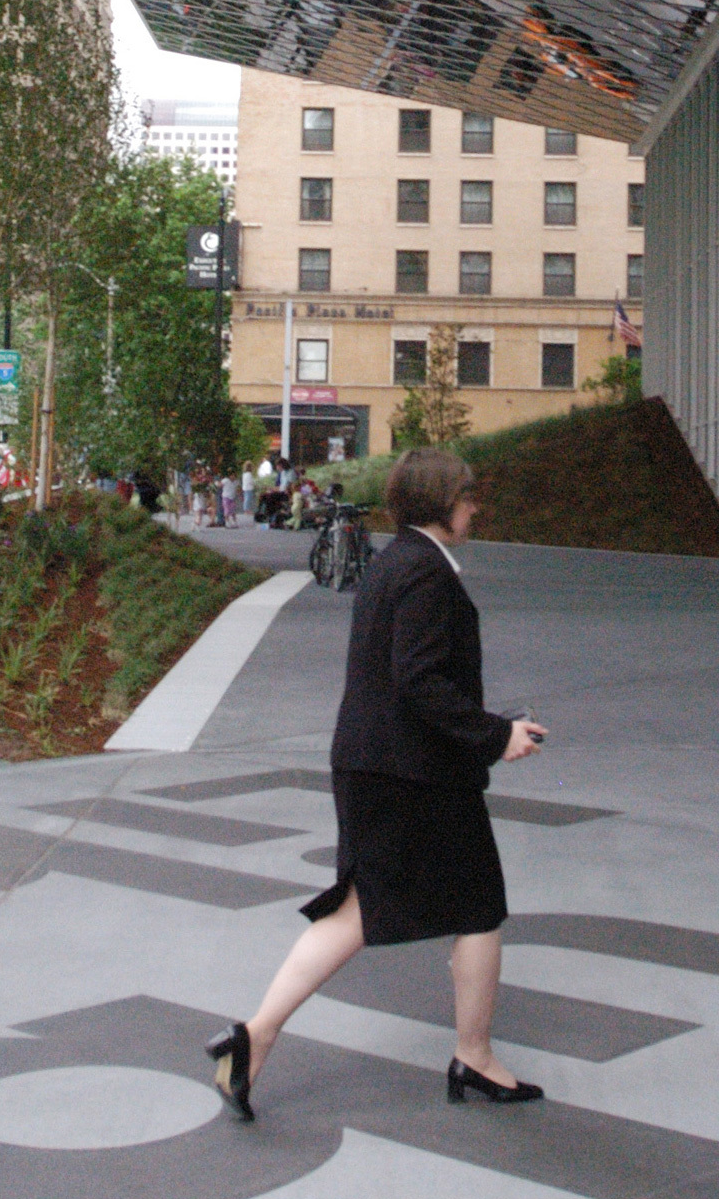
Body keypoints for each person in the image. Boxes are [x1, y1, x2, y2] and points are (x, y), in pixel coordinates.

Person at [206, 447, 549, 1120]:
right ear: (440, 501)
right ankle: (474, 1058)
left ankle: (254, 1036)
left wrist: (488, 724)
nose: (476, 506)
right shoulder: (423, 571)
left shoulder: (399, 561)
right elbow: (419, 681)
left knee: (357, 913)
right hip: (410, 774)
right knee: (477, 905)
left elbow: (408, 680)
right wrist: (494, 735)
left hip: (379, 766)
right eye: (468, 495)